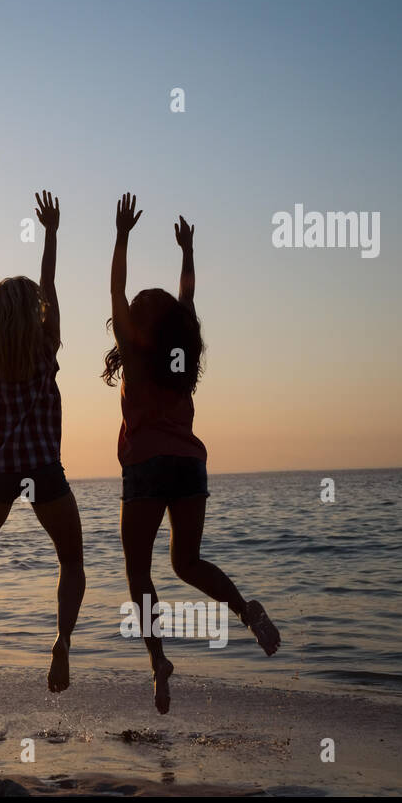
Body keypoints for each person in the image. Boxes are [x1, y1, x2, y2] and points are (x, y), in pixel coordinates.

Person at [104, 193, 280, 714]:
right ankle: (245, 611)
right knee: (188, 561)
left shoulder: (134, 355)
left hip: (145, 464)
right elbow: (187, 300)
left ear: (137, 323)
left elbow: (115, 287)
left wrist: (122, 235)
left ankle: (158, 662)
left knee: (139, 572)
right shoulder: (182, 359)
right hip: (189, 464)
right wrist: (187, 251)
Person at [0, 191, 85, 693]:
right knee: (70, 561)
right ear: (37, 313)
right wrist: (51, 232)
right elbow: (49, 284)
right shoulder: (45, 345)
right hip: (44, 470)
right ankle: (62, 643)